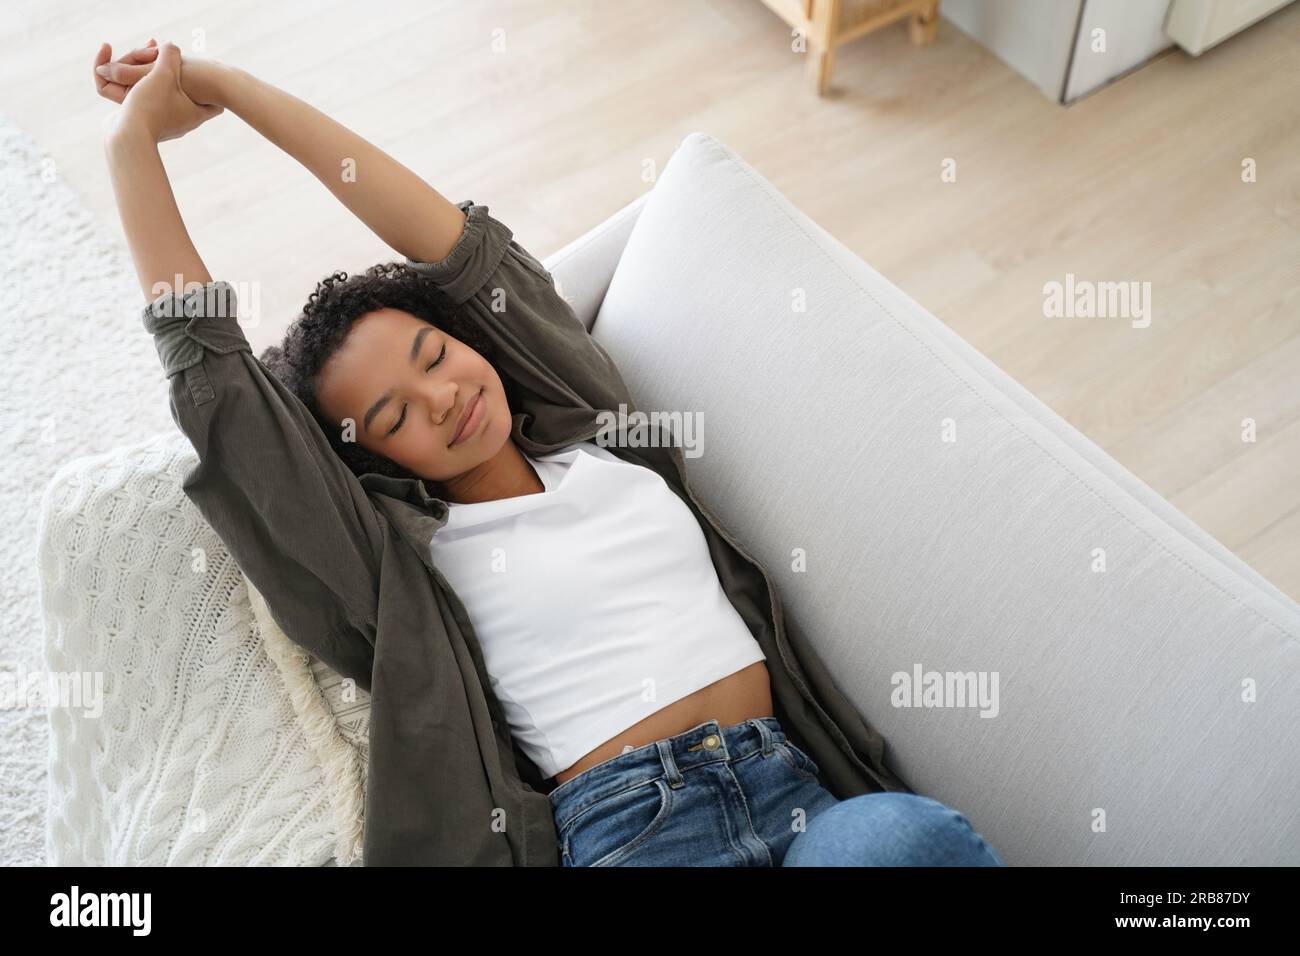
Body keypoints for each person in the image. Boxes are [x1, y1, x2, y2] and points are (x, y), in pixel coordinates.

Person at [94, 39, 1005, 867]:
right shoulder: (405, 571)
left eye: (436, 355)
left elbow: (457, 249)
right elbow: (223, 397)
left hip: (797, 794)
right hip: (638, 833)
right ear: (371, 460)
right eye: (395, 412)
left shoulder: (592, 425)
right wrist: (131, 146)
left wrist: (231, 88)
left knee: (908, 835)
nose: (445, 397)